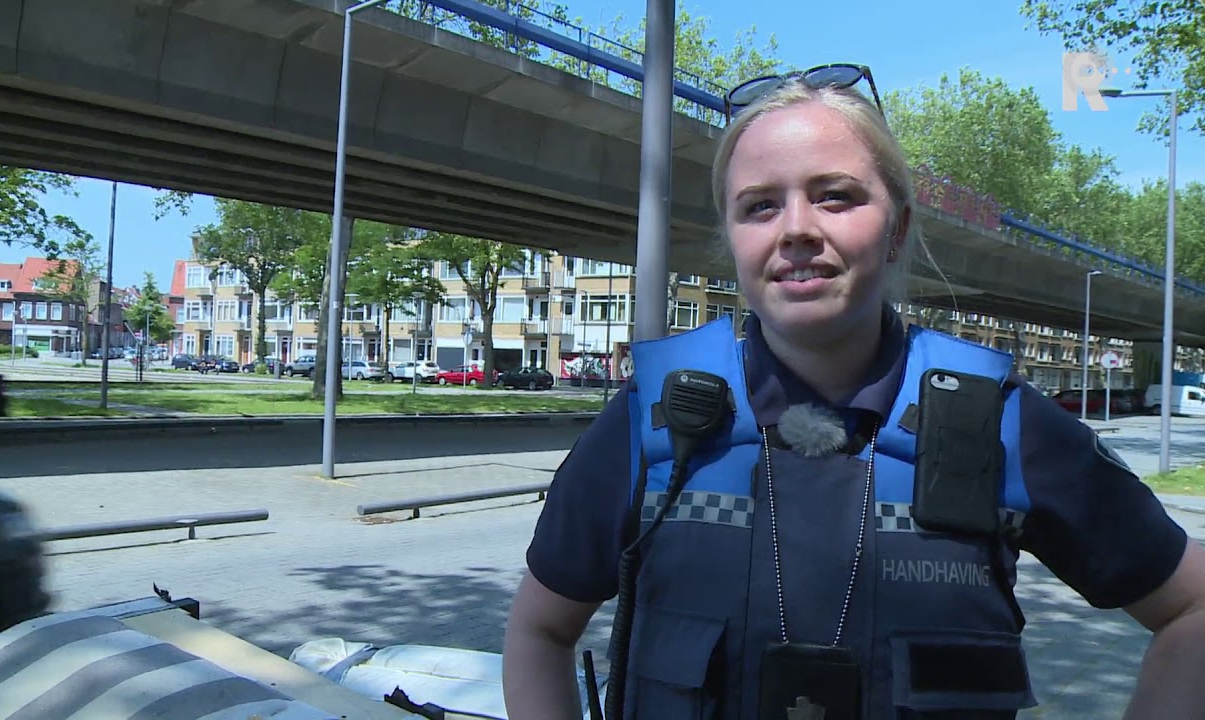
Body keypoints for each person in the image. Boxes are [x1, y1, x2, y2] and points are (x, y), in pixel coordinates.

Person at [502, 63, 1205, 719]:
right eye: (759, 207)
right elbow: (539, 630)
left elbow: (1192, 608)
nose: (798, 229)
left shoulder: (1003, 425)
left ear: (896, 230)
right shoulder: (651, 421)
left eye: (835, 197)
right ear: (731, 238)